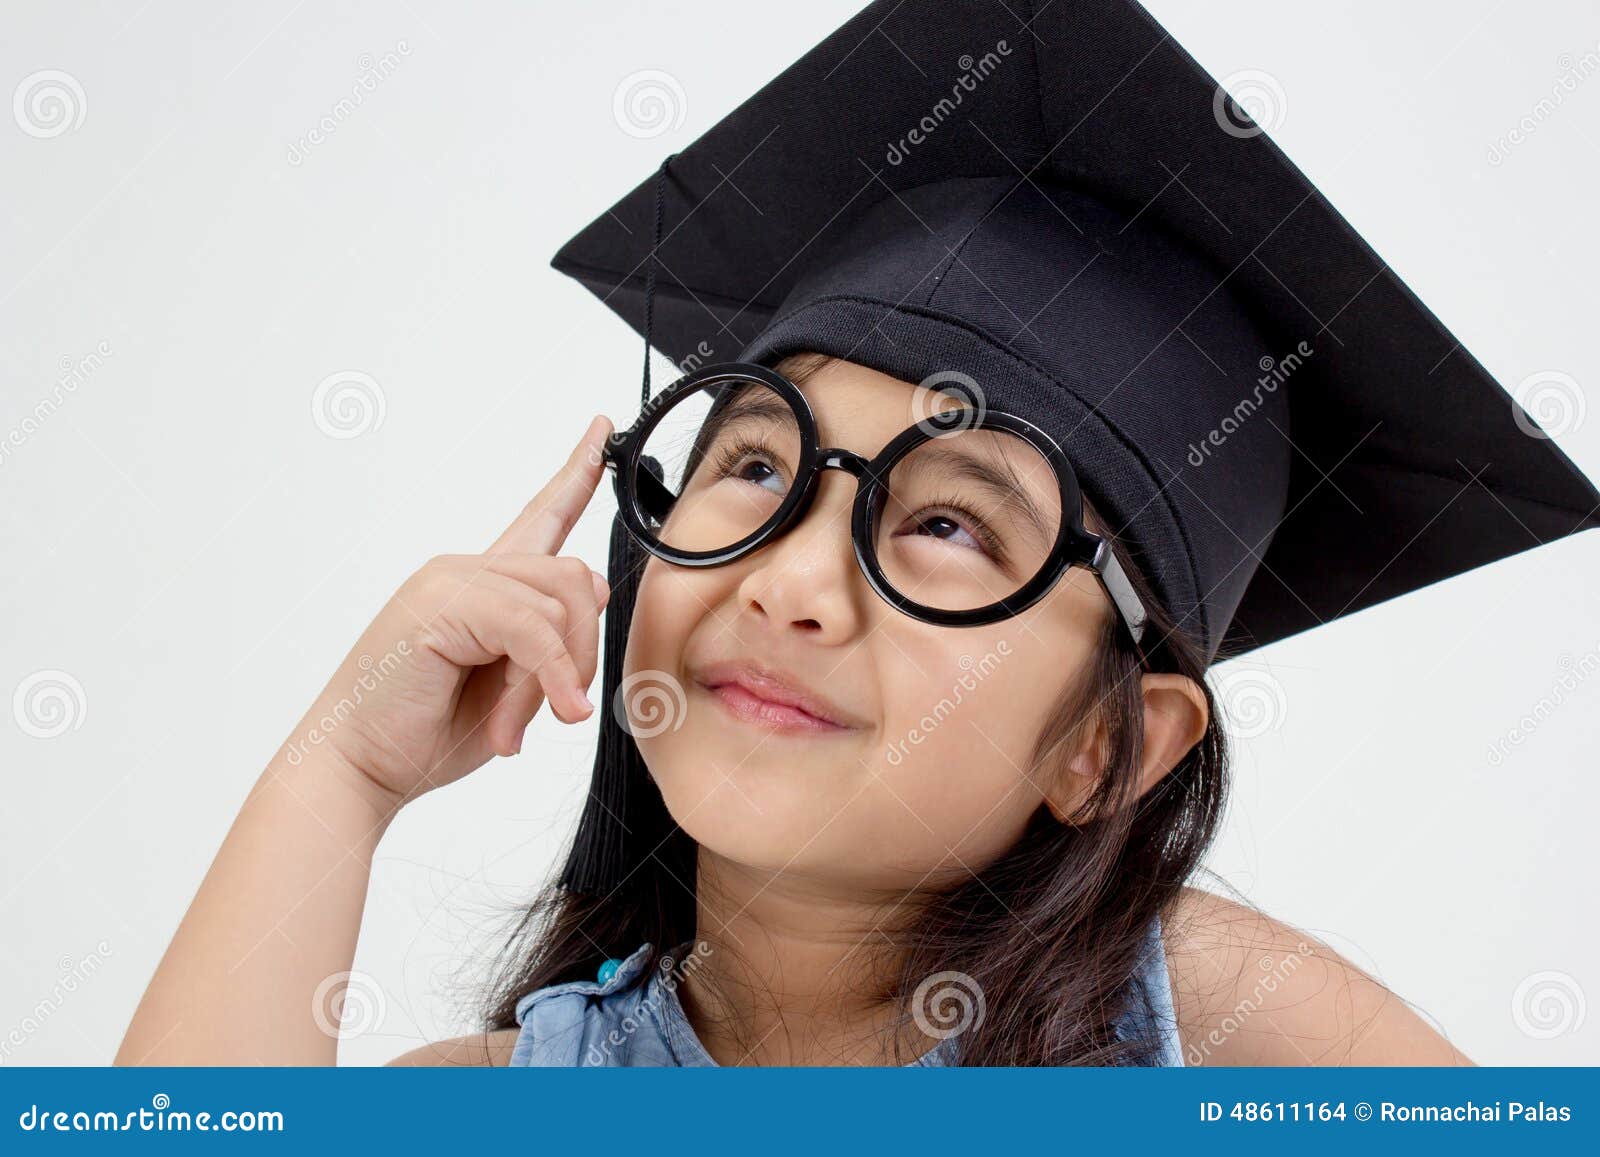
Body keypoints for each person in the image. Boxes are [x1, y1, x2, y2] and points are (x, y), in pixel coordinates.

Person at [116, 0, 1594, 1067]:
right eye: (755, 467)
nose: (798, 581)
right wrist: (340, 776)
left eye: (947, 519)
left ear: (1114, 744)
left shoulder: (1216, 1028)